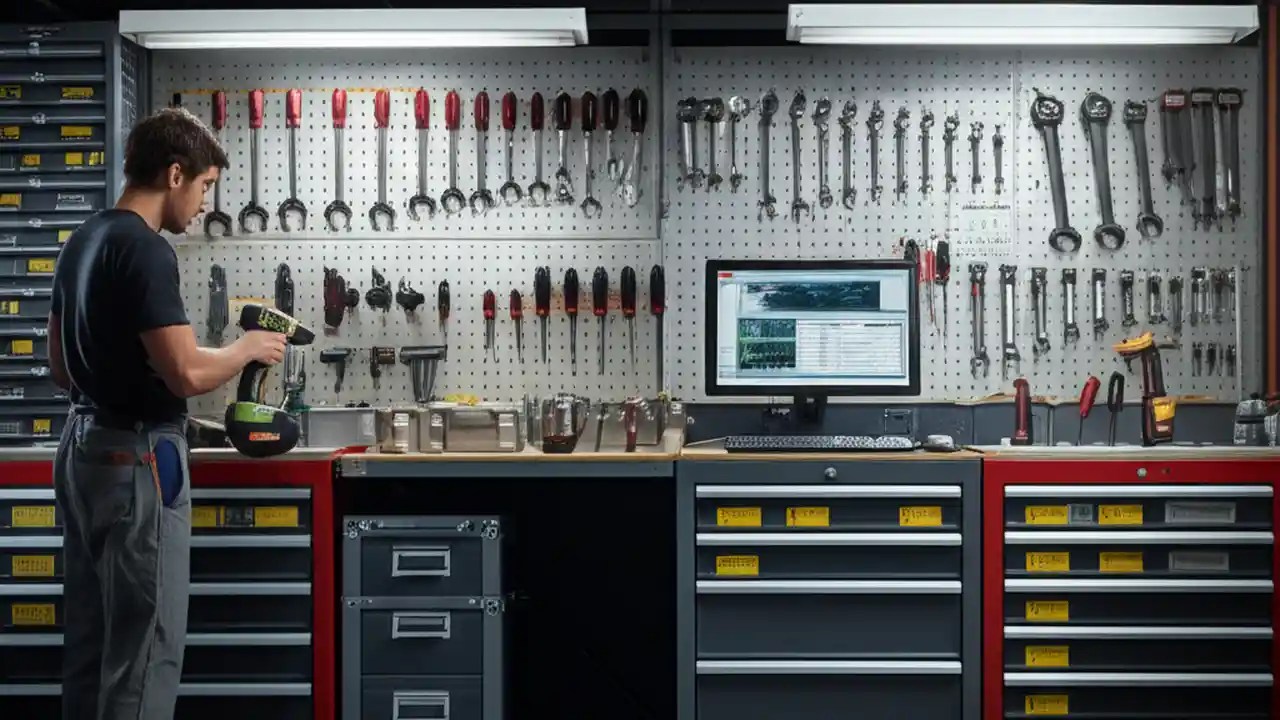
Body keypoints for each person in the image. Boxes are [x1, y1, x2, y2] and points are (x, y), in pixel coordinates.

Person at [46, 107, 288, 720]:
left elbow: (60, 365)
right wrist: (247, 350)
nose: (205, 202)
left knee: (92, 645)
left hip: (82, 451)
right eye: (206, 186)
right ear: (176, 174)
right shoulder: (147, 251)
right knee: (144, 653)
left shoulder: (85, 239)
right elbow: (183, 372)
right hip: (139, 464)